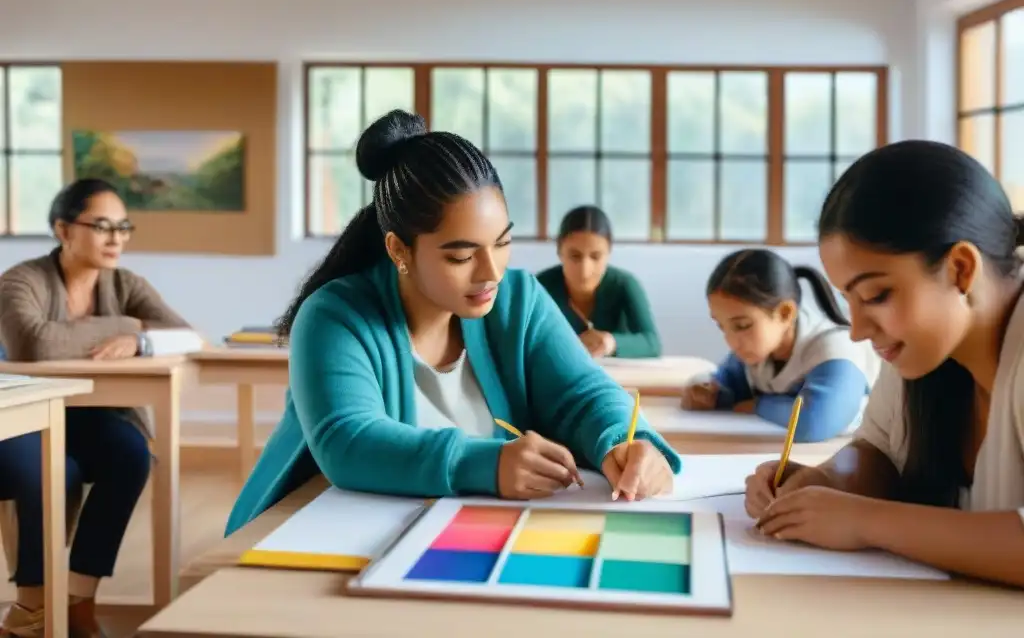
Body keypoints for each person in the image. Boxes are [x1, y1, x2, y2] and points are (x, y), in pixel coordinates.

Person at [225, 111, 680, 536]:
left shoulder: (518, 297)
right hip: (320, 537)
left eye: (502, 243)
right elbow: (349, 442)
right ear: (399, 250)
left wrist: (624, 442)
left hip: (452, 535)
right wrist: (488, 465)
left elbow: (582, 393)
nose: (491, 273)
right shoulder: (334, 316)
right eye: (462, 256)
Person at [744, 141, 1024, 589]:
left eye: (876, 296)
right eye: (848, 301)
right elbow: (880, 451)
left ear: (960, 269)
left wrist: (864, 521)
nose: (856, 329)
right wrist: (826, 480)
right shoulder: (925, 347)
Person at [0, 178, 200, 637]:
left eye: (123, 226)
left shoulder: (125, 282)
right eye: (102, 225)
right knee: (57, 469)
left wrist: (141, 340)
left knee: (129, 454)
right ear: (63, 230)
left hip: (86, 415)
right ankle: (31, 608)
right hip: (20, 417)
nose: (117, 238)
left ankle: (76, 598)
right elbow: (34, 344)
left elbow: (189, 334)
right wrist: (127, 324)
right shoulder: (20, 281)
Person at [681, 249, 879, 442]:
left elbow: (814, 422)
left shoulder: (835, 348)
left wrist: (758, 405)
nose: (731, 342)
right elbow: (728, 382)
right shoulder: (758, 349)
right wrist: (705, 391)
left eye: (742, 326)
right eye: (721, 326)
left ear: (785, 313)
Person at [536, 206, 660, 359]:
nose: (585, 271)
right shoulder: (540, 286)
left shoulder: (625, 285)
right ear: (559, 251)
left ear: (609, 253)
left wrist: (611, 343)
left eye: (595, 257)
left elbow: (652, 343)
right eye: (575, 256)